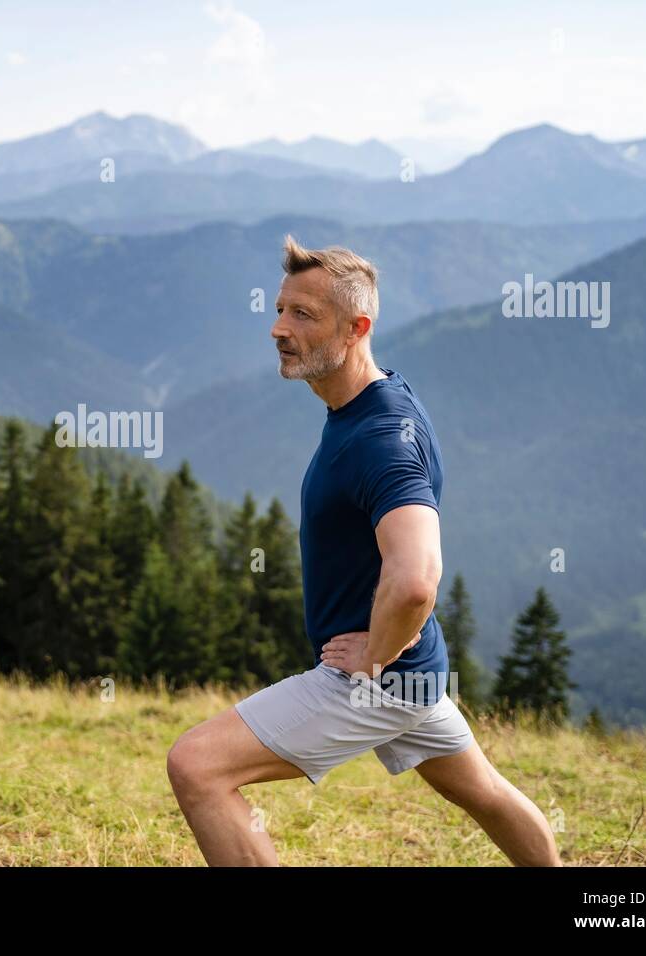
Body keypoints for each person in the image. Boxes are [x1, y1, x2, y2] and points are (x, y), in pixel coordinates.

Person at [166, 237, 561, 867]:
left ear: (357, 328)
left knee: (196, 766)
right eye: (279, 310)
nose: (277, 328)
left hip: (379, 680)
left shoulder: (380, 438)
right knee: (484, 793)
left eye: (302, 315)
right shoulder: (370, 403)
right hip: (417, 667)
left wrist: (376, 658)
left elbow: (415, 580)